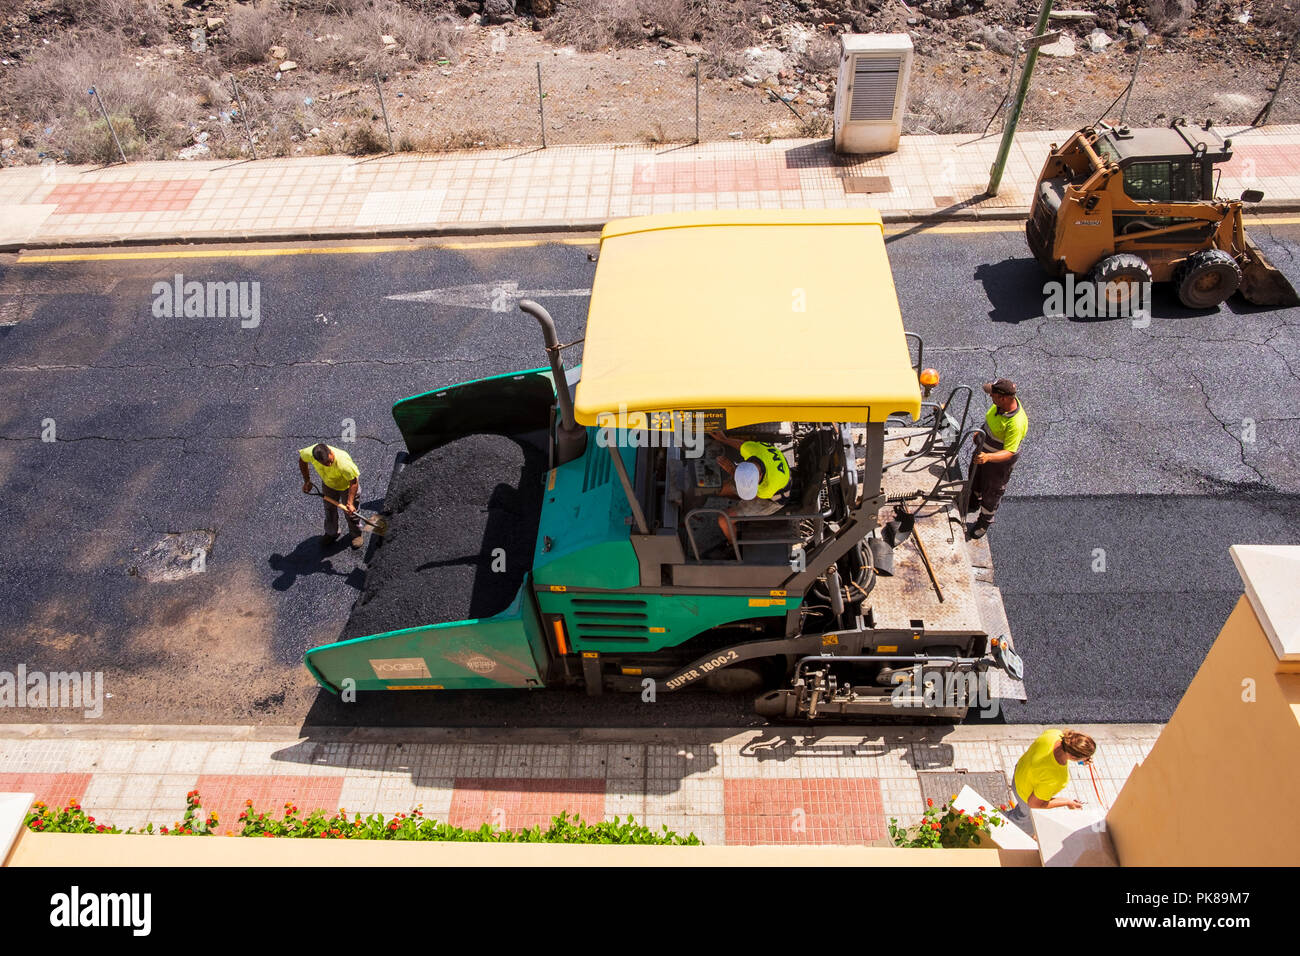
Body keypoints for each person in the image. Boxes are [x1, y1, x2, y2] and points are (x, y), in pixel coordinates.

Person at [1004, 729, 1097, 836]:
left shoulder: (1054, 734)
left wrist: (1080, 759)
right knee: (1020, 824)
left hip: (1020, 774)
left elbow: (1063, 752)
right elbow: (1034, 804)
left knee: (1020, 810)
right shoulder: (1058, 777)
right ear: (1073, 756)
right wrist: (1067, 802)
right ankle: (989, 823)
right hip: (1025, 795)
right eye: (1086, 757)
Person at [709, 430, 792, 548]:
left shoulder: (768, 486)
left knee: (724, 520)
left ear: (760, 476)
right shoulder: (753, 451)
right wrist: (724, 439)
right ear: (744, 463)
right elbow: (743, 445)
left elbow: (752, 497)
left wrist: (733, 471)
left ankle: (733, 545)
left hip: (772, 500)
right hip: (763, 476)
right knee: (720, 490)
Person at [967, 378, 1027, 540]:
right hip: (983, 453)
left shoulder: (1016, 422)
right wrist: (980, 432)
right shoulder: (1000, 406)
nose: (990, 397)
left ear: (1003, 398)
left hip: (997, 465)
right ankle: (973, 501)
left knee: (992, 491)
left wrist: (988, 457)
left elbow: (1010, 452)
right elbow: (990, 422)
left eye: (993, 395)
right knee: (975, 478)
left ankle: (984, 521)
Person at [297, 442, 363, 548]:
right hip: (329, 484)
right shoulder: (309, 453)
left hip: (347, 487)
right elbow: (302, 460)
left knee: (351, 512)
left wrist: (350, 502)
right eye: (324, 464)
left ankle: (356, 534)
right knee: (329, 509)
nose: (328, 465)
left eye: (329, 461)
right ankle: (332, 532)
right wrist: (307, 481)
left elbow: (354, 482)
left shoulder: (343, 462)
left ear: (330, 452)